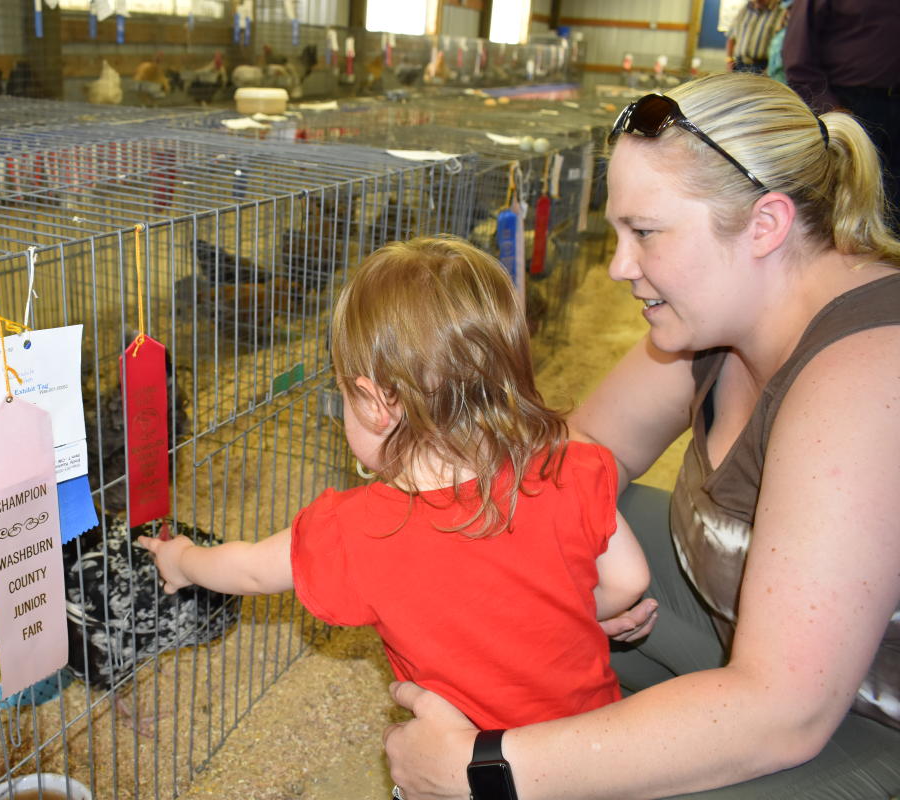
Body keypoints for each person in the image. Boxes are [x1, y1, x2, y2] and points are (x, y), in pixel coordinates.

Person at [384, 73, 900, 799]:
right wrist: (431, 483)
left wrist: (489, 767)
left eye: (646, 233)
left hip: (859, 719)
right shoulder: (718, 315)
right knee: (523, 540)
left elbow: (785, 712)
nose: (619, 266)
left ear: (765, 225)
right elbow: (580, 455)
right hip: (748, 628)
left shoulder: (865, 377)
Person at [139, 236, 650, 735]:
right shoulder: (572, 468)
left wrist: (182, 560)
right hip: (591, 751)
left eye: (342, 392)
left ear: (374, 402)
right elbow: (627, 581)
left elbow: (250, 571)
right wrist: (562, 624)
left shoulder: (355, 531)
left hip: (468, 765)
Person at [783, 0, 900, 229]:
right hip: (848, 106)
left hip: (894, 109)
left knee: (891, 211)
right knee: (845, 210)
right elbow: (798, 58)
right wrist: (834, 112)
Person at [724, 0, 788, 74]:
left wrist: (770, 69)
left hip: (763, 66)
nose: (756, 3)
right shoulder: (745, 9)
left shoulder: (781, 11)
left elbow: (785, 44)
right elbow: (731, 36)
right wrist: (729, 59)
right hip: (739, 65)